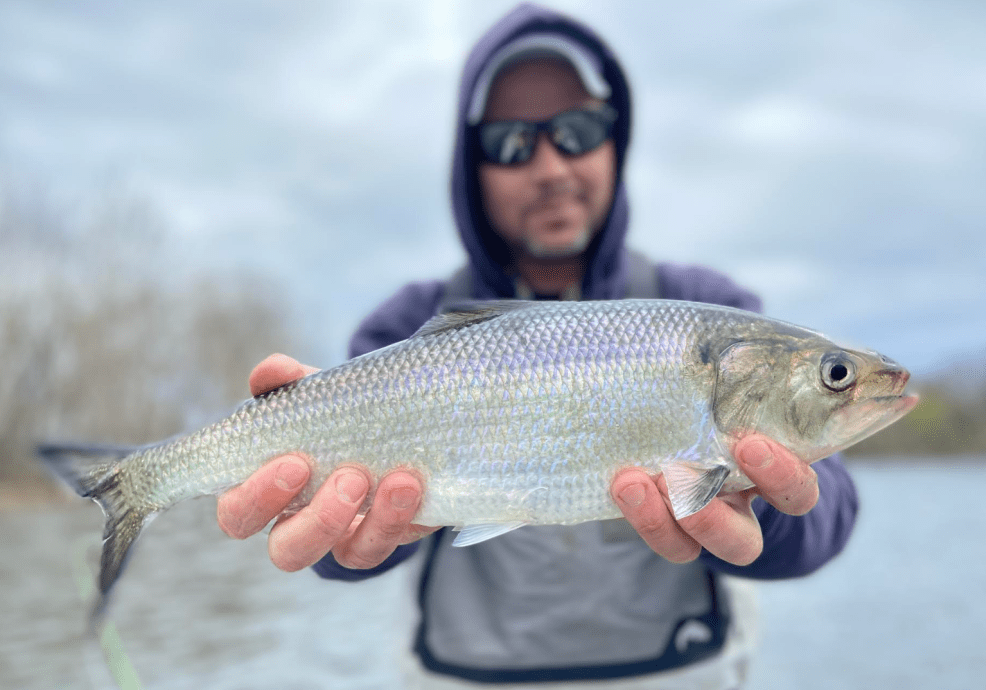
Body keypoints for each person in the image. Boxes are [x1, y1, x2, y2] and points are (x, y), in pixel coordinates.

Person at [217, 4, 858, 687]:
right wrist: (335, 537)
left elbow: (833, 512)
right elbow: (348, 543)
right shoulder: (405, 326)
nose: (551, 167)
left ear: (615, 142)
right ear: (471, 168)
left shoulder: (707, 307)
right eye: (512, 143)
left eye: (578, 131)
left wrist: (762, 508)